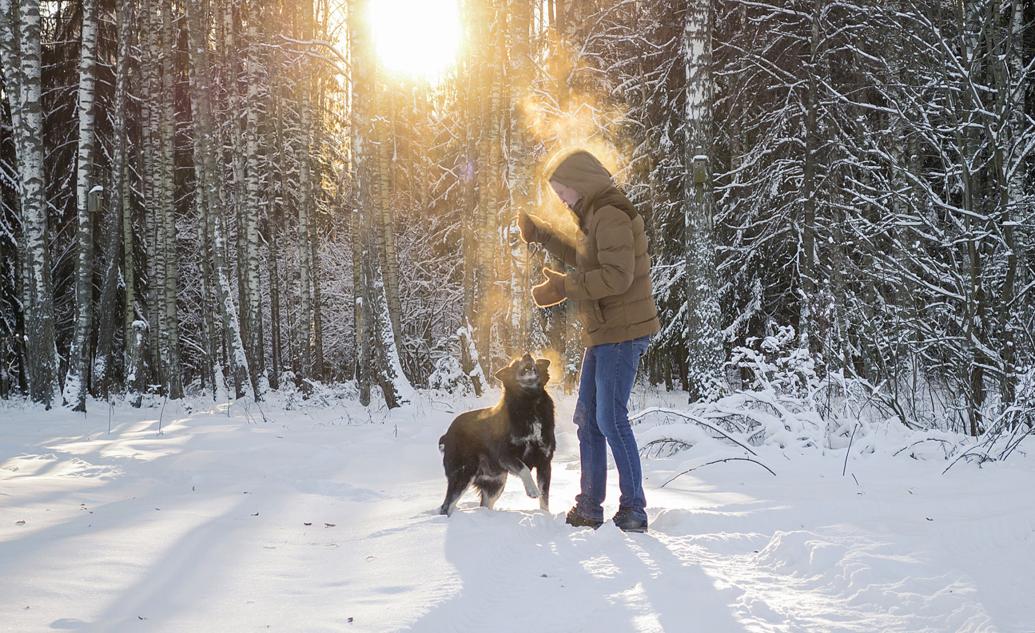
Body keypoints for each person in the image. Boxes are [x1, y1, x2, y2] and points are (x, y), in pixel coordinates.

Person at [518, 149, 661, 533]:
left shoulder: (612, 213)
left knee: (610, 419)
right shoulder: (596, 215)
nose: (562, 199)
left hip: (622, 332)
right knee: (588, 420)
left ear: (580, 183)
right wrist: (544, 235)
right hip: (605, 332)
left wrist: (565, 286)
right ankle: (590, 506)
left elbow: (616, 277)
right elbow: (586, 259)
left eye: (563, 190)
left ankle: (634, 509)